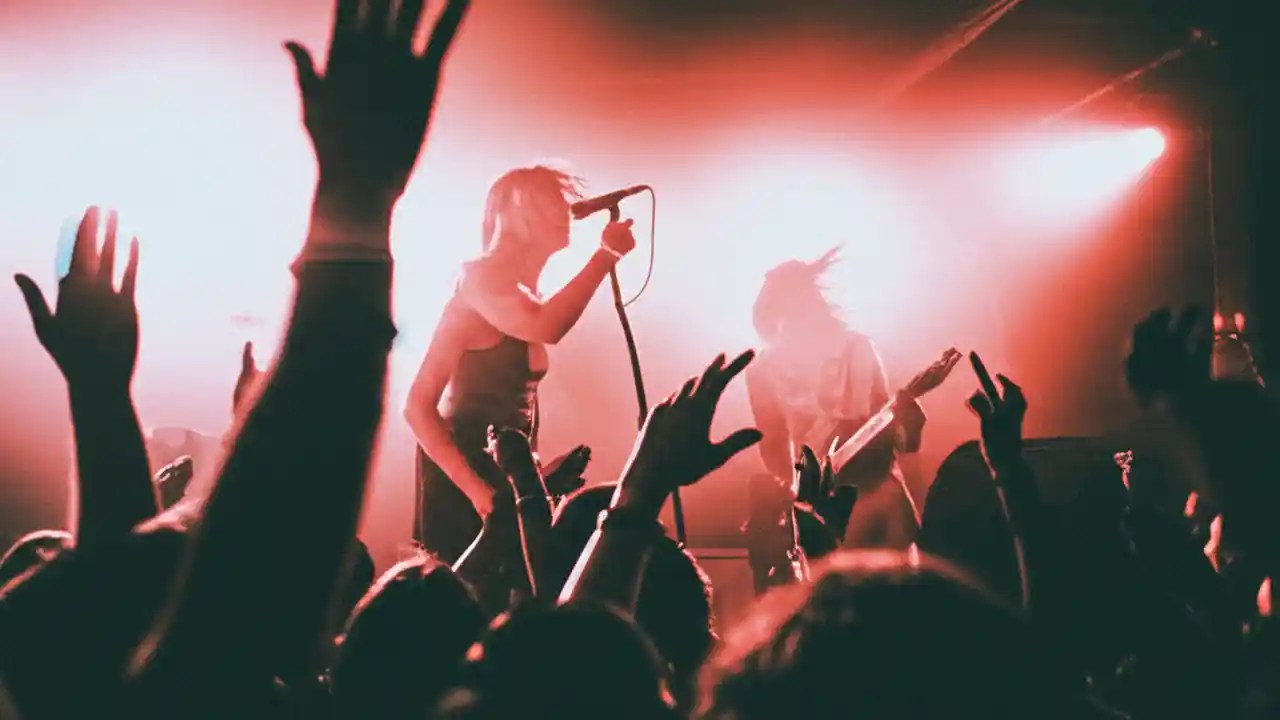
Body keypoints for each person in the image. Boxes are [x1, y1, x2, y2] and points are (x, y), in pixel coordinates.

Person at [404, 165, 636, 564]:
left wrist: (538, 474)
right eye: (551, 197)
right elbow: (417, 407)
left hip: (504, 483)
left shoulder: (522, 294)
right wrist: (480, 494)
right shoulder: (478, 277)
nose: (566, 209)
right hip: (467, 490)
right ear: (515, 206)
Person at [745, 249, 925, 550]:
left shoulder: (858, 350)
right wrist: (796, 496)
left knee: (895, 590)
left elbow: (894, 435)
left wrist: (912, 428)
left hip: (878, 499)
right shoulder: (763, 370)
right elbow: (772, 445)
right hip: (815, 510)